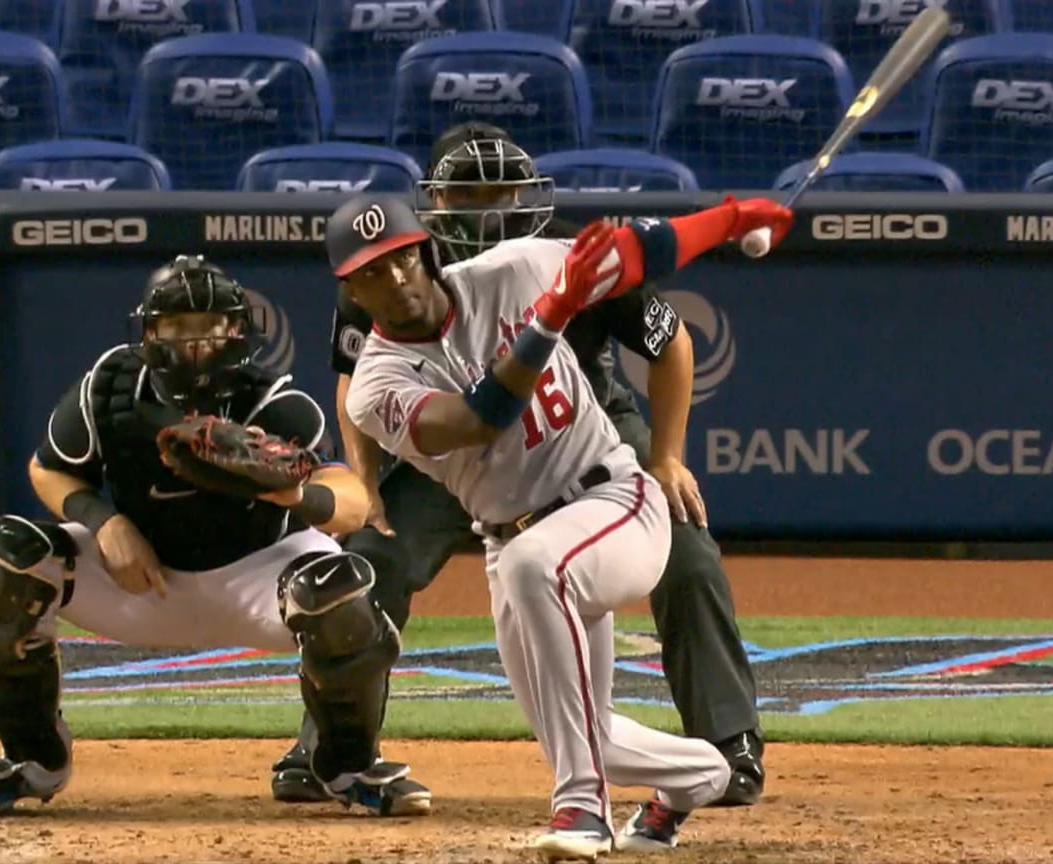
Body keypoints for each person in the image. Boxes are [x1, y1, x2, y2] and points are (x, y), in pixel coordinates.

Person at [271, 122, 766, 812]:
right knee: (370, 559)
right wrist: (365, 482)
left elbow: (671, 337)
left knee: (683, 545)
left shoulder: (544, 251)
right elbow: (362, 388)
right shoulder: (384, 271)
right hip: (458, 451)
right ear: (432, 209)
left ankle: (728, 742)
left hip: (584, 418)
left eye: (498, 189)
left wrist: (668, 457)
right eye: (465, 192)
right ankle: (333, 750)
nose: (484, 206)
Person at [0, 254, 431, 818]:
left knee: (339, 588)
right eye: (178, 327)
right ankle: (32, 760)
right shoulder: (110, 387)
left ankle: (347, 766)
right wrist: (106, 523)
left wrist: (294, 495)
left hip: (255, 578)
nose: (196, 343)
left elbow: (352, 501)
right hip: (140, 581)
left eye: (213, 326)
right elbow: (46, 468)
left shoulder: (273, 400)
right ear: (149, 332)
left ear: (240, 331)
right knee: (5, 560)